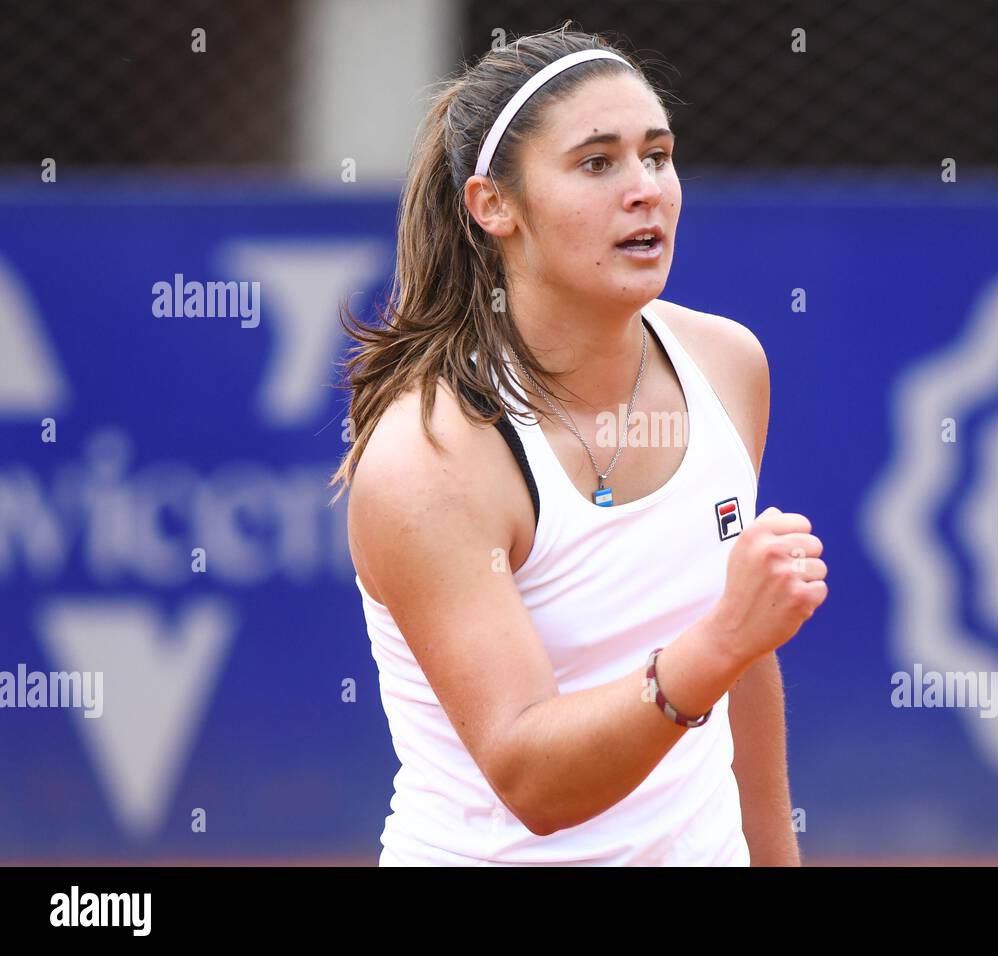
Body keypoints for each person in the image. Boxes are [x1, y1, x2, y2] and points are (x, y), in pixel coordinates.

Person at [329, 25, 828, 866]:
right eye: (598, 163)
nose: (646, 190)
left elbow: (745, 670)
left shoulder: (727, 364)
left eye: (658, 155)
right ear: (494, 206)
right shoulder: (432, 459)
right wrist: (719, 643)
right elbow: (533, 781)